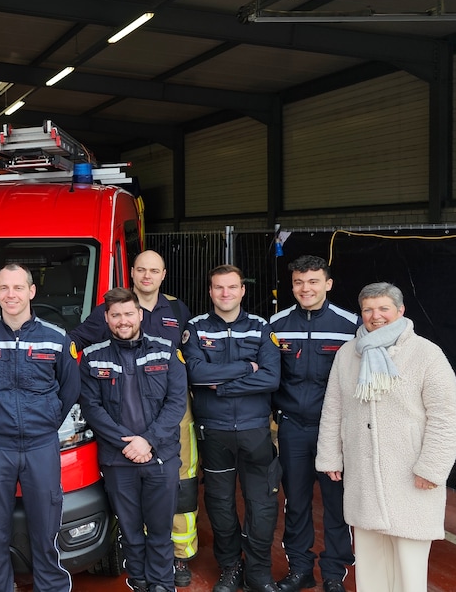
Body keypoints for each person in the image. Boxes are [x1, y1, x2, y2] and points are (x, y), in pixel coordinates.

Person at [316, 282, 456, 592]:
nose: (376, 316)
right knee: (370, 563)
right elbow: (334, 408)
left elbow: (446, 417)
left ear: (400, 310)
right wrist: (330, 456)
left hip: (410, 476)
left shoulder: (426, 354)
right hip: (363, 476)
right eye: (368, 309)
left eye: (383, 308)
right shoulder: (348, 354)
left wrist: (431, 468)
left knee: (409, 567)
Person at [69, 249, 199, 587]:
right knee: (130, 532)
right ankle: (140, 583)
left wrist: (148, 441)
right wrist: (127, 443)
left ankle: (163, 584)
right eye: (116, 315)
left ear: (139, 314)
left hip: (160, 456)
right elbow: (92, 408)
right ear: (106, 318)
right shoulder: (93, 358)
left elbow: (175, 402)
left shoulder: (166, 351)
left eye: (129, 313)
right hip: (118, 459)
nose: (123, 321)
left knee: (159, 531)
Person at [0, 264, 79, 592]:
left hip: (41, 445)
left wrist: (48, 419)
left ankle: (50, 587)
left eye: (18, 287)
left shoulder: (56, 338)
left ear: (31, 291)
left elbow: (69, 388)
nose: (11, 295)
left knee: (46, 527)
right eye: (4, 288)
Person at [182, 264, 281, 592]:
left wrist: (222, 387)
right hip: (214, 431)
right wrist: (246, 368)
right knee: (220, 504)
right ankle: (230, 567)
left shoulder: (260, 327)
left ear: (242, 290)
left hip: (255, 430)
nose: (226, 293)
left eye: (232, 287)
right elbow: (195, 374)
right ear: (210, 292)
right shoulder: (196, 327)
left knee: (261, 504)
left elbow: (271, 377)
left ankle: (258, 572)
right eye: (219, 287)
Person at [269, 256, 358, 592]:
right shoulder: (276, 324)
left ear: (328, 284)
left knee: (336, 503)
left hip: (334, 431)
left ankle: (333, 574)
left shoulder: (350, 325)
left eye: (313, 281)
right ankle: (300, 569)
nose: (305, 289)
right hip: (292, 427)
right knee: (296, 501)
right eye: (298, 282)